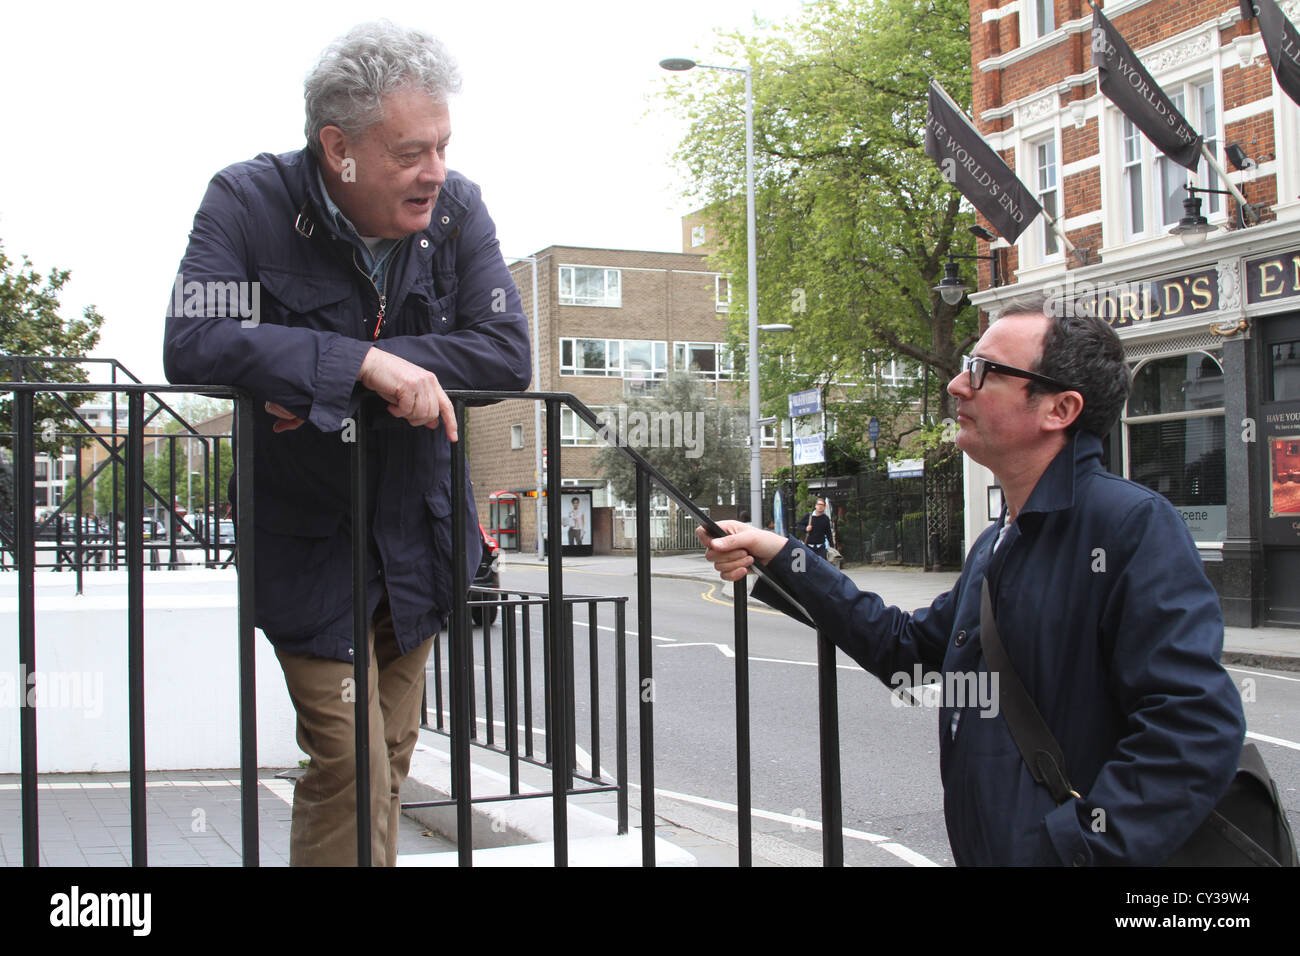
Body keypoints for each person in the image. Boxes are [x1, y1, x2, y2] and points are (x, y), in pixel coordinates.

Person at [697, 294, 1245, 865]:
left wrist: (1075, 851)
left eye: (983, 371)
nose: (957, 385)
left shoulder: (1130, 527)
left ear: (1059, 409)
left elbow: (1193, 729)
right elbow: (906, 650)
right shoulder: (998, 540)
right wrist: (782, 554)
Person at [163, 22, 531, 866]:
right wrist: (354, 364)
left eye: (442, 145)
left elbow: (506, 351)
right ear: (340, 149)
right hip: (307, 542)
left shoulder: (459, 209)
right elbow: (191, 338)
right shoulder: (247, 201)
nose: (435, 171)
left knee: (388, 761)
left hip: (419, 537)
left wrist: (353, 373)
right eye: (410, 152)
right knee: (349, 758)